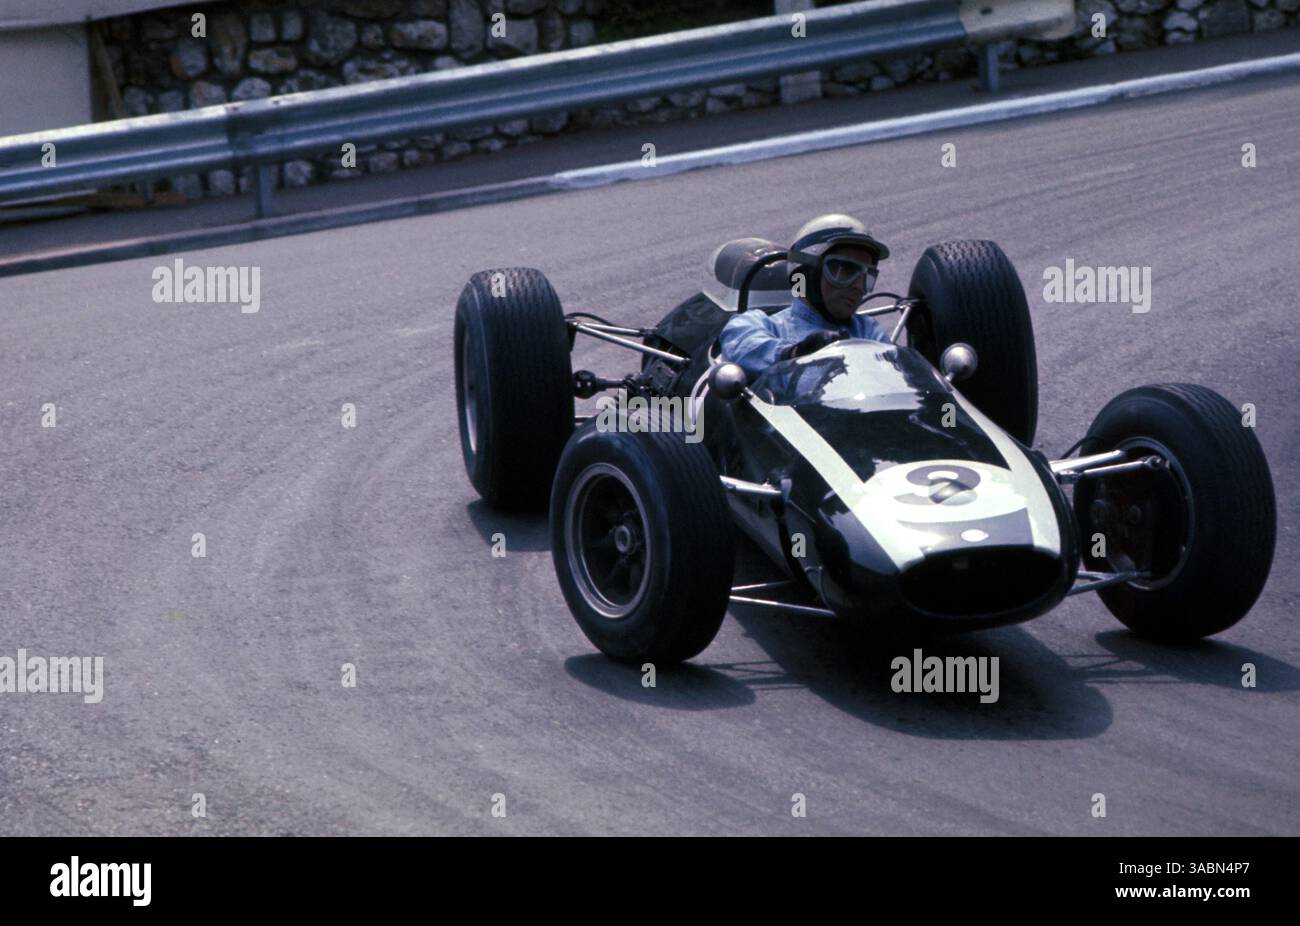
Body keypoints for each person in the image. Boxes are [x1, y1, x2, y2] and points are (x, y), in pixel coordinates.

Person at [719, 214, 892, 380]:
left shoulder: (869, 331)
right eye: (844, 270)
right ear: (808, 273)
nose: (858, 286)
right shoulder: (762, 325)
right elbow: (740, 343)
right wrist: (795, 353)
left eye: (866, 276)